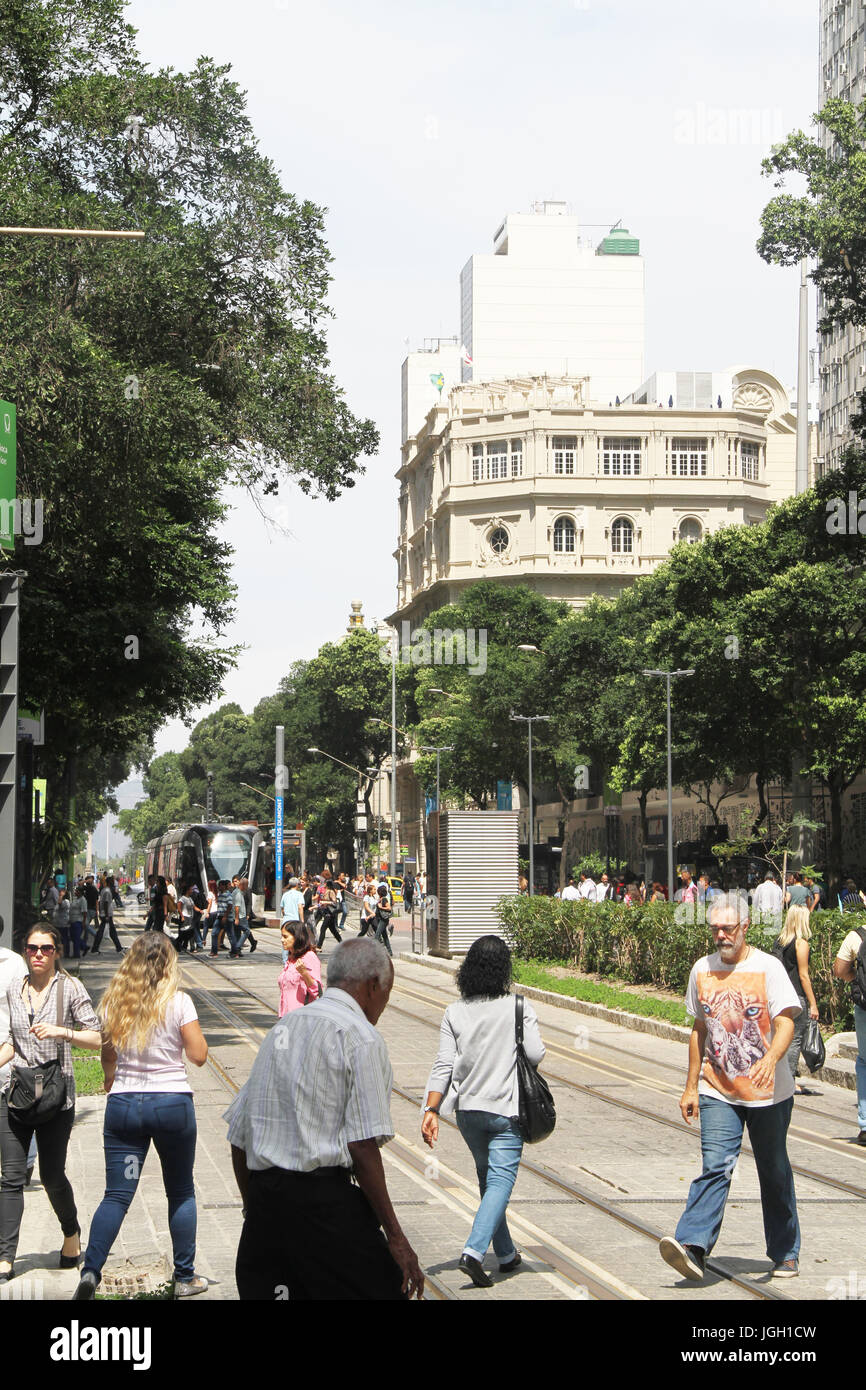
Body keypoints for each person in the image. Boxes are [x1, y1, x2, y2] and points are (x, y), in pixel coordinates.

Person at [227, 938, 424, 1300]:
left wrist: (253, 1209)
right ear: (372, 986)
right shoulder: (360, 1037)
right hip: (323, 1209)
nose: (386, 1002)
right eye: (388, 991)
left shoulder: (282, 1030)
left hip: (266, 1206)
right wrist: (396, 1238)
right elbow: (362, 1147)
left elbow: (239, 1138)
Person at [658, 892, 803, 1283]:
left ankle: (785, 1251)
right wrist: (690, 1087)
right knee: (716, 1166)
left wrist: (771, 1059)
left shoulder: (768, 968)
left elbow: (787, 1020)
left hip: (769, 1092)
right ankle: (692, 1246)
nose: (721, 935)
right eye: (715, 929)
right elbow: (699, 1029)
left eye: (728, 928)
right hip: (717, 1088)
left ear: (746, 927)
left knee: (773, 1170)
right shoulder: (701, 970)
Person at [73, 932, 210, 1299]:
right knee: (180, 1190)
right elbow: (198, 1055)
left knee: (116, 1194)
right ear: (168, 963)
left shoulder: (115, 1003)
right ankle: (185, 1277)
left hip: (125, 1106)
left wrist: (108, 1078)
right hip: (171, 1104)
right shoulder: (179, 1002)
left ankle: (91, 1271)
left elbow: (108, 1056)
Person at [421, 936, 545, 1287]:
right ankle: (473, 1252)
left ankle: (505, 1254)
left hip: (468, 1113)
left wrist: (431, 1109)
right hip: (506, 1111)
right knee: (500, 1183)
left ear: (468, 970)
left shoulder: (454, 1011)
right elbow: (536, 1055)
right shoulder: (519, 1007)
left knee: (488, 1181)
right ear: (504, 970)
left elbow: (443, 1064)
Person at [0, 924, 102, 1282]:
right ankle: (5, 1256)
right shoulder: (15, 987)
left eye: (45, 948)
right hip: (17, 1094)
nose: (38, 954)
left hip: (58, 1098)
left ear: (56, 952)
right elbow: (13, 1041)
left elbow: (97, 1038)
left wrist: (63, 1032)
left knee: (52, 1175)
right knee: (10, 1178)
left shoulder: (71, 988)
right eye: (31, 948)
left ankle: (71, 1234)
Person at [772, 906, 820, 1093]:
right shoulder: (801, 944)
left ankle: (779, 1075)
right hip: (796, 997)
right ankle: (789, 1079)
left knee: (780, 1036)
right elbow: (803, 976)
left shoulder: (780, 942)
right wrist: (813, 1003)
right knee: (795, 1039)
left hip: (778, 995)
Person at [833, 917, 866, 1145]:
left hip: (865, 1005)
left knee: (864, 1061)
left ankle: (865, 1126)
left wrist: (858, 981)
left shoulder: (857, 935)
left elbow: (839, 968)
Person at [278, 922, 321, 1017]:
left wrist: (304, 973)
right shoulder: (291, 959)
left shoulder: (309, 957)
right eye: (281, 936)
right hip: (286, 1017)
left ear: (297, 937)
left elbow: (317, 990)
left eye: (285, 937)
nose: (282, 940)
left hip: (302, 1018)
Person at [92, 875, 123, 955]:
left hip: (106, 913)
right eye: (112, 881)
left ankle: (119, 947)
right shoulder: (107, 891)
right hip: (106, 914)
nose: (114, 883)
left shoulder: (104, 890)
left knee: (111, 931)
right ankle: (95, 948)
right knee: (102, 932)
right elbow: (106, 903)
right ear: (110, 882)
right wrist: (106, 915)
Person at [316, 881, 343, 949]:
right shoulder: (326, 891)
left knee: (323, 929)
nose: (323, 885)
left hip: (330, 913)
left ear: (327, 885)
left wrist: (325, 902)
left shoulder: (331, 891)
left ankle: (319, 946)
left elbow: (334, 902)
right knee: (333, 930)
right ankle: (342, 943)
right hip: (326, 912)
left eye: (325, 884)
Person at [373, 882, 393, 957]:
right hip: (379, 919)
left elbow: (389, 908)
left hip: (383, 920)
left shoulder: (384, 899)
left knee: (377, 936)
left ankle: (375, 953)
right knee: (385, 936)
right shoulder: (380, 899)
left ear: (379, 892)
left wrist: (381, 907)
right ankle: (390, 952)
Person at [68, 884, 86, 960]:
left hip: (78, 921)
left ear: (80, 892)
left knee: (76, 938)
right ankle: (84, 946)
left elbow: (84, 912)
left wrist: (84, 922)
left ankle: (76, 954)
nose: (75, 892)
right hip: (72, 921)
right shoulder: (76, 899)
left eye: (77, 891)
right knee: (73, 937)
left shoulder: (83, 900)